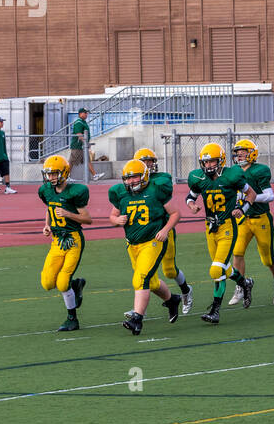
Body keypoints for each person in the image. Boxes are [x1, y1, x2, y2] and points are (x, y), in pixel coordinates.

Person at [108, 159, 182, 335]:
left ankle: (137, 320)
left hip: (153, 241)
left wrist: (165, 230)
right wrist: (116, 220)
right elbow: (112, 215)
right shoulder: (120, 193)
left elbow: (175, 213)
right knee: (152, 282)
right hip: (133, 244)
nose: (131, 181)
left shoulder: (156, 190)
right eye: (128, 178)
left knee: (140, 279)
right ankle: (172, 300)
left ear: (145, 176)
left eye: (135, 177)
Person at [186, 143, 255, 323]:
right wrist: (192, 206)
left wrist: (242, 208)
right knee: (224, 268)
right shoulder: (198, 177)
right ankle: (245, 283)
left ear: (221, 160)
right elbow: (190, 197)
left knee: (216, 269)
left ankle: (215, 311)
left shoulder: (232, 175)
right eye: (206, 162)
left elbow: (251, 194)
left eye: (212, 161)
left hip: (227, 228)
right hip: (210, 229)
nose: (208, 165)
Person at [133, 147, 192, 314]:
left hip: (163, 230)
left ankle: (186, 290)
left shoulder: (161, 180)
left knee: (169, 270)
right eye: (142, 162)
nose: (146, 164)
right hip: (143, 234)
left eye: (149, 161)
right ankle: (138, 309)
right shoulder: (131, 182)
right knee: (142, 273)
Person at [38, 155, 91, 331]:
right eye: (48, 174)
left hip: (73, 239)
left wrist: (68, 214)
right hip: (57, 241)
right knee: (47, 283)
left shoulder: (75, 191)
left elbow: (87, 219)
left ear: (64, 173)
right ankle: (76, 285)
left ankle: (72, 319)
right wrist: (47, 225)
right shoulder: (46, 190)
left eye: (54, 174)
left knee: (62, 282)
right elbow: (50, 208)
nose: (51, 177)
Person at [228, 139, 274, 305]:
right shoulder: (233, 170)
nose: (238, 155)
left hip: (261, 219)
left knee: (267, 258)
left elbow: (270, 195)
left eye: (242, 151)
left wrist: (249, 198)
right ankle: (241, 286)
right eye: (237, 152)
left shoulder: (260, 170)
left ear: (251, 152)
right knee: (237, 252)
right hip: (243, 219)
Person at [69, 108, 104, 181]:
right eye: (85, 113)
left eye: (87, 113)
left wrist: (86, 144)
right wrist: (86, 143)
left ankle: (94, 175)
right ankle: (65, 177)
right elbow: (79, 134)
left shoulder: (83, 122)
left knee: (87, 161)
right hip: (78, 146)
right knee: (71, 162)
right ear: (80, 114)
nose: (86, 114)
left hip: (83, 146)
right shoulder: (78, 122)